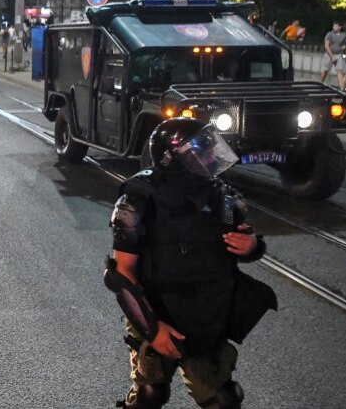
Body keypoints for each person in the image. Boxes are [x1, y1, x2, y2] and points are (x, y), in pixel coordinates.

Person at [106, 118, 276, 408]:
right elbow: (121, 275)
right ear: (171, 159)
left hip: (207, 315)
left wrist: (252, 245)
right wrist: (153, 329)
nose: (210, 158)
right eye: (200, 151)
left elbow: (242, 245)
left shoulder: (222, 198)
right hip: (156, 311)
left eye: (210, 150)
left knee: (223, 400)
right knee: (150, 395)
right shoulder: (138, 198)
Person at [319, 21, 346, 92]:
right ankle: (320, 83)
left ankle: (342, 88)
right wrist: (331, 56)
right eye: (333, 26)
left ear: (340, 27)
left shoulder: (343, 35)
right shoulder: (330, 34)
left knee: (339, 70)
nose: (334, 27)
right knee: (326, 70)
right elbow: (326, 46)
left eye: (336, 26)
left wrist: (344, 54)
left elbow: (345, 45)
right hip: (329, 54)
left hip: (339, 54)